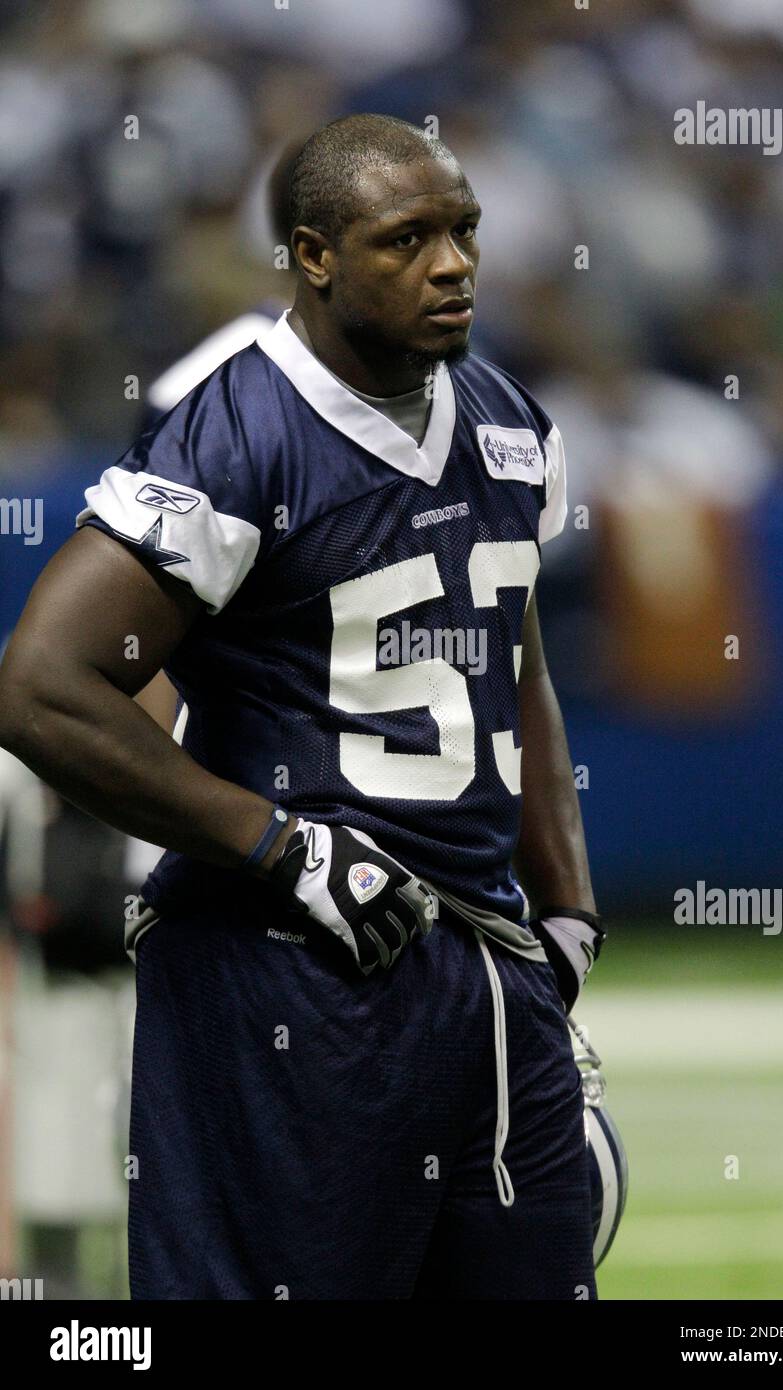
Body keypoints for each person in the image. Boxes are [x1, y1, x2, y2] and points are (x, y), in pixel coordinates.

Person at [0, 114, 604, 1300]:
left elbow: (511, 666)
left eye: (463, 232)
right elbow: (41, 686)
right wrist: (274, 846)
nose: (452, 265)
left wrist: (567, 903)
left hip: (482, 971)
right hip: (291, 975)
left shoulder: (509, 424)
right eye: (407, 239)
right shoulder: (237, 433)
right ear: (316, 256)